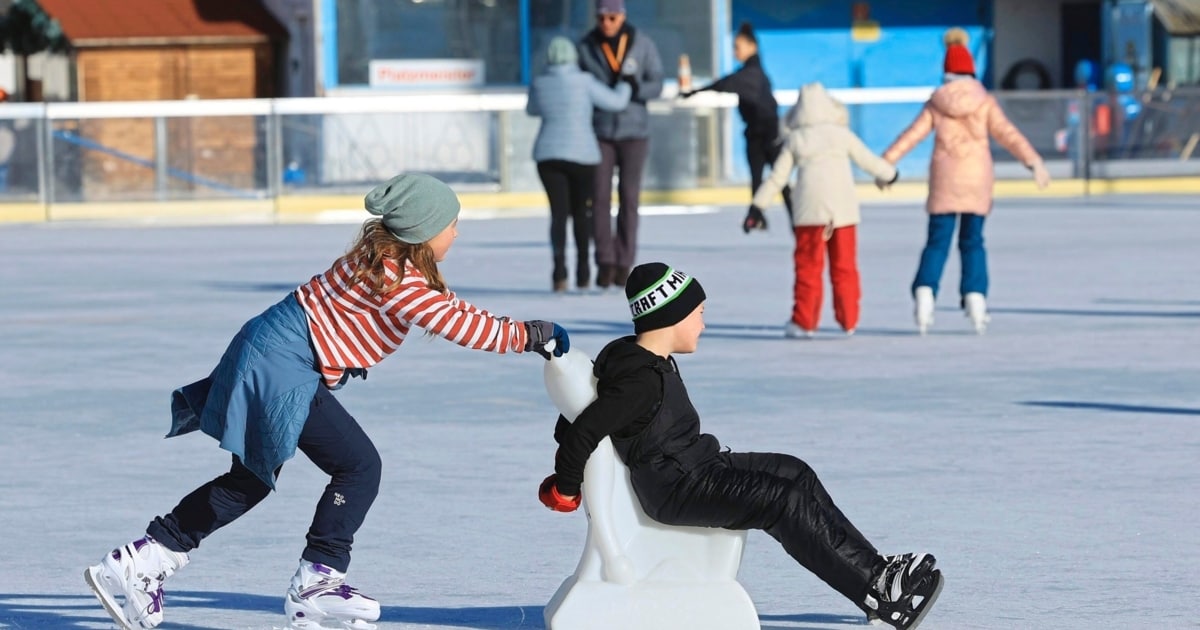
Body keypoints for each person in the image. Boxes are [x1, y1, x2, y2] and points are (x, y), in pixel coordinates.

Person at [84, 173, 571, 630]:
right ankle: (316, 581)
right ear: (424, 232)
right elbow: (459, 325)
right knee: (358, 465)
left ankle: (141, 560)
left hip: (272, 353)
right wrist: (528, 335)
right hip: (280, 366)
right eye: (452, 224)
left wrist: (523, 330)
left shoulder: (391, 265)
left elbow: (451, 307)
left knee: (252, 479)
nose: (457, 234)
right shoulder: (396, 279)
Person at [537, 262, 944, 630]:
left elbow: (580, 416)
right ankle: (877, 590)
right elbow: (583, 430)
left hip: (697, 466)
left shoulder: (632, 358)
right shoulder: (639, 382)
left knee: (793, 470)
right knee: (782, 501)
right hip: (678, 488)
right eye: (698, 315)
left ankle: (875, 573)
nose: (702, 325)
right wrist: (566, 487)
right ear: (672, 317)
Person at [881, 28, 1050, 334]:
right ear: (971, 69)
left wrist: (886, 163)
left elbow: (912, 136)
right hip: (976, 180)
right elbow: (1009, 135)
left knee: (937, 243)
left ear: (946, 71)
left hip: (945, 180)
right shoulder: (984, 101)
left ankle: (925, 293)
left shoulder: (937, 102)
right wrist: (1033, 161)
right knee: (973, 242)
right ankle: (975, 298)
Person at [749, 82, 897, 338]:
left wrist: (757, 205)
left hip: (809, 212)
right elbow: (869, 160)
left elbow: (777, 178)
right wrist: (890, 174)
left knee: (808, 267)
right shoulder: (841, 134)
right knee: (845, 267)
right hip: (844, 212)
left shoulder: (796, 139)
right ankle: (849, 319)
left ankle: (804, 322)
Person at [528, 36, 633, 293]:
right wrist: (627, 81)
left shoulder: (540, 83)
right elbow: (616, 102)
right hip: (583, 155)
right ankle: (583, 272)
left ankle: (559, 271)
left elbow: (532, 110)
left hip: (548, 155)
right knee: (582, 213)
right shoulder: (584, 82)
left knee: (558, 214)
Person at [577, 0, 664, 288]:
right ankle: (604, 261)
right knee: (599, 199)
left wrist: (636, 87)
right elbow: (578, 84)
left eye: (612, 17)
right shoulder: (587, 46)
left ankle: (624, 262)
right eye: (601, 17)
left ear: (622, 17)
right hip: (601, 132)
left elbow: (658, 82)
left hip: (635, 131)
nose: (606, 23)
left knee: (629, 198)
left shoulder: (642, 43)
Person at [681, 22, 793, 232]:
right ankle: (758, 216)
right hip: (756, 132)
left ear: (752, 47)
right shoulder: (751, 72)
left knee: (781, 180)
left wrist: (695, 91)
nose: (734, 51)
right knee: (761, 178)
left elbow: (727, 83)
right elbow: (729, 83)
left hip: (768, 132)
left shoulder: (752, 74)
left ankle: (792, 221)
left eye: (738, 46)